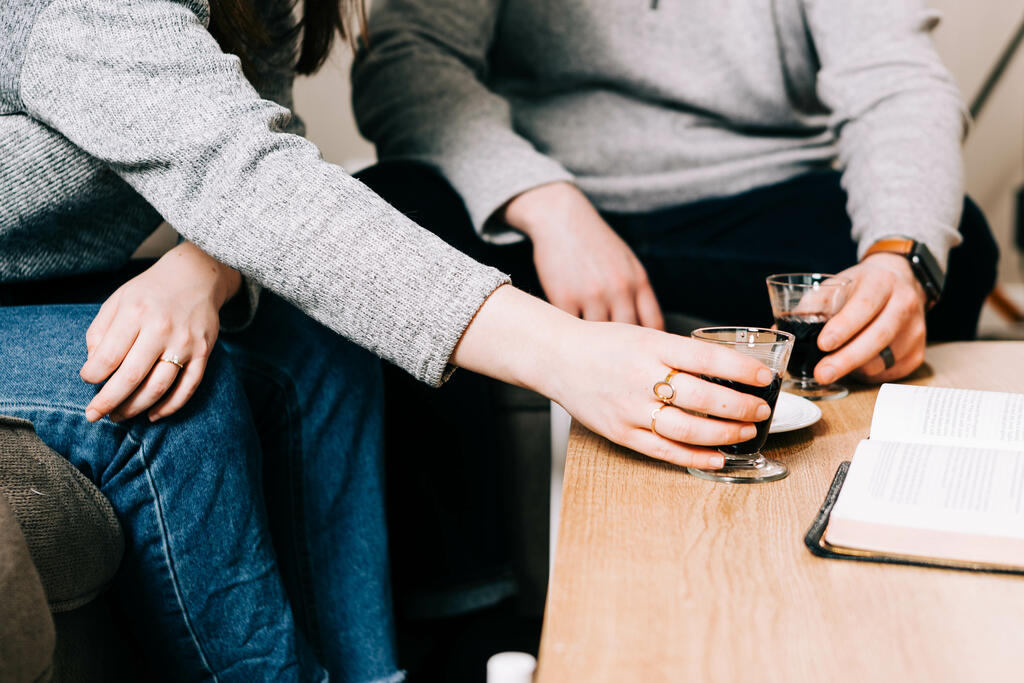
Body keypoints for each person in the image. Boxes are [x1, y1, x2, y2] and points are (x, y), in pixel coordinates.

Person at [0, 0, 775, 680]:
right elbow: (245, 176)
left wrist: (205, 267)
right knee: (172, 399)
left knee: (322, 332)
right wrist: (565, 354)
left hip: (50, 278)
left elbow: (256, 131)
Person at [349, 0, 1000, 668]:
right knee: (394, 207)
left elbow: (893, 76)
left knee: (947, 244)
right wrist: (543, 202)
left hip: (756, 197)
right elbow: (406, 57)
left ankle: (892, 543)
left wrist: (897, 256)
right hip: (540, 202)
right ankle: (462, 624)